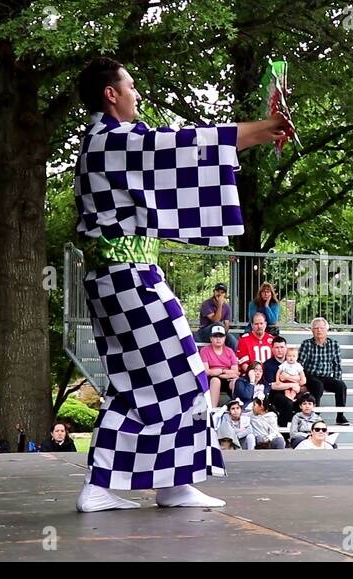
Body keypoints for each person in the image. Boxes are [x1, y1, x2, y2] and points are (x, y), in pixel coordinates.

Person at [73, 56, 287, 512]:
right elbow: (186, 146)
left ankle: (169, 482)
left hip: (123, 276)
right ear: (110, 94)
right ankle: (109, 484)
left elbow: (178, 151)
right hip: (127, 276)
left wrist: (258, 131)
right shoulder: (111, 139)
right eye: (129, 86)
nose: (136, 93)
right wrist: (260, 128)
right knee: (182, 372)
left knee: (144, 380)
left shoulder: (106, 141)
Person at [298, 318, 349, 425]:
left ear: (327, 330)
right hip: (310, 375)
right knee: (318, 385)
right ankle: (315, 415)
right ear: (312, 330)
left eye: (322, 328)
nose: (319, 330)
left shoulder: (334, 344)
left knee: (341, 386)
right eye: (316, 328)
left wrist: (337, 379)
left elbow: (337, 365)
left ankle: (340, 415)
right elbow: (300, 364)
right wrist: (300, 381)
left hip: (326, 376)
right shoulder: (306, 344)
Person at [200, 323, 241, 410]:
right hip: (212, 379)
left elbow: (236, 372)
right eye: (215, 336)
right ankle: (212, 409)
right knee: (215, 380)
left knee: (235, 381)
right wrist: (224, 371)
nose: (218, 339)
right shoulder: (205, 351)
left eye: (221, 336)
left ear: (224, 338)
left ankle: (237, 408)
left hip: (226, 377)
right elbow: (206, 371)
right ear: (211, 338)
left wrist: (221, 371)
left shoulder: (229, 351)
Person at [262, 337, 299, 428]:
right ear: (272, 349)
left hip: (293, 391)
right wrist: (292, 384)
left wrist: (288, 378)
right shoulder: (268, 364)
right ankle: (284, 432)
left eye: (282, 347)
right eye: (277, 347)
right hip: (275, 394)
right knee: (287, 403)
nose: (280, 350)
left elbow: (301, 378)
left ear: (286, 348)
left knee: (305, 400)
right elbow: (273, 386)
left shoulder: (293, 362)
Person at [196, 283, 239, 350]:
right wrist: (220, 305)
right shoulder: (206, 304)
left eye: (222, 292)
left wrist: (224, 335)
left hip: (220, 332)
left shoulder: (227, 307)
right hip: (204, 333)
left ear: (225, 295)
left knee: (233, 340)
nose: (219, 294)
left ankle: (234, 359)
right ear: (214, 292)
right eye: (217, 291)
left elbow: (226, 325)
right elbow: (216, 320)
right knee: (218, 324)